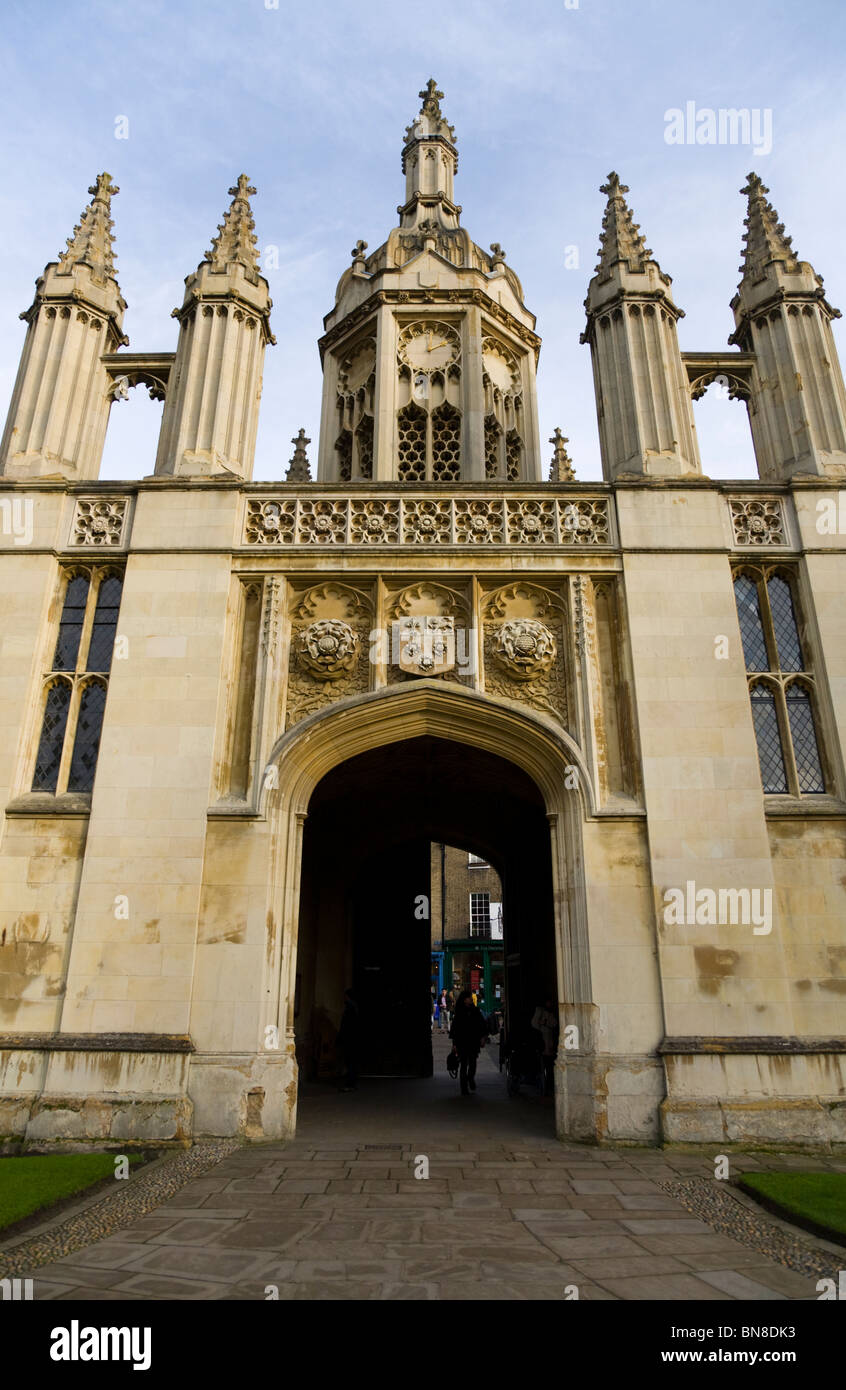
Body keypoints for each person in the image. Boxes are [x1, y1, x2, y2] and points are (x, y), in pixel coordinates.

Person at [449, 989, 490, 1096]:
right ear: (464, 1000)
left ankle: (470, 1078)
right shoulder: (459, 1013)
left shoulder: (475, 1011)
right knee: (463, 1065)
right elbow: (455, 1029)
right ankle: (464, 1088)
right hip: (462, 1042)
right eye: (468, 998)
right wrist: (454, 1044)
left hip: (473, 1041)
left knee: (472, 1063)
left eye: (470, 997)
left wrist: (483, 1037)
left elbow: (482, 1024)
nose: (471, 999)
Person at [531, 996, 558, 1094]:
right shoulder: (540, 1011)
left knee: (549, 1061)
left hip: (548, 1040)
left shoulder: (550, 1012)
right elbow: (534, 1023)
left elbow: (554, 1023)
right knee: (545, 1062)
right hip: (543, 1039)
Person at [336, 988, 360, 1092]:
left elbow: (346, 1026)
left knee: (350, 1062)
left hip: (350, 1039)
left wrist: (340, 1038)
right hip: (353, 1039)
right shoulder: (355, 1008)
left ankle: (350, 1084)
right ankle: (352, 1083)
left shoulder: (350, 1009)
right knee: (352, 1062)